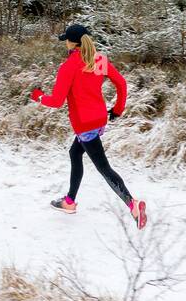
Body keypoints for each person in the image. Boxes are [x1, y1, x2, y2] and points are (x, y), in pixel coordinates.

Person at [29, 23, 146, 229]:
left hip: (84, 125)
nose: (65, 42)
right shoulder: (98, 60)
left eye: (66, 39)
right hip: (99, 119)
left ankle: (132, 204)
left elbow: (56, 101)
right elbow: (121, 83)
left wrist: (38, 97)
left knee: (103, 168)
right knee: (75, 153)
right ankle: (69, 202)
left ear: (72, 43)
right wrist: (117, 109)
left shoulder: (69, 67)